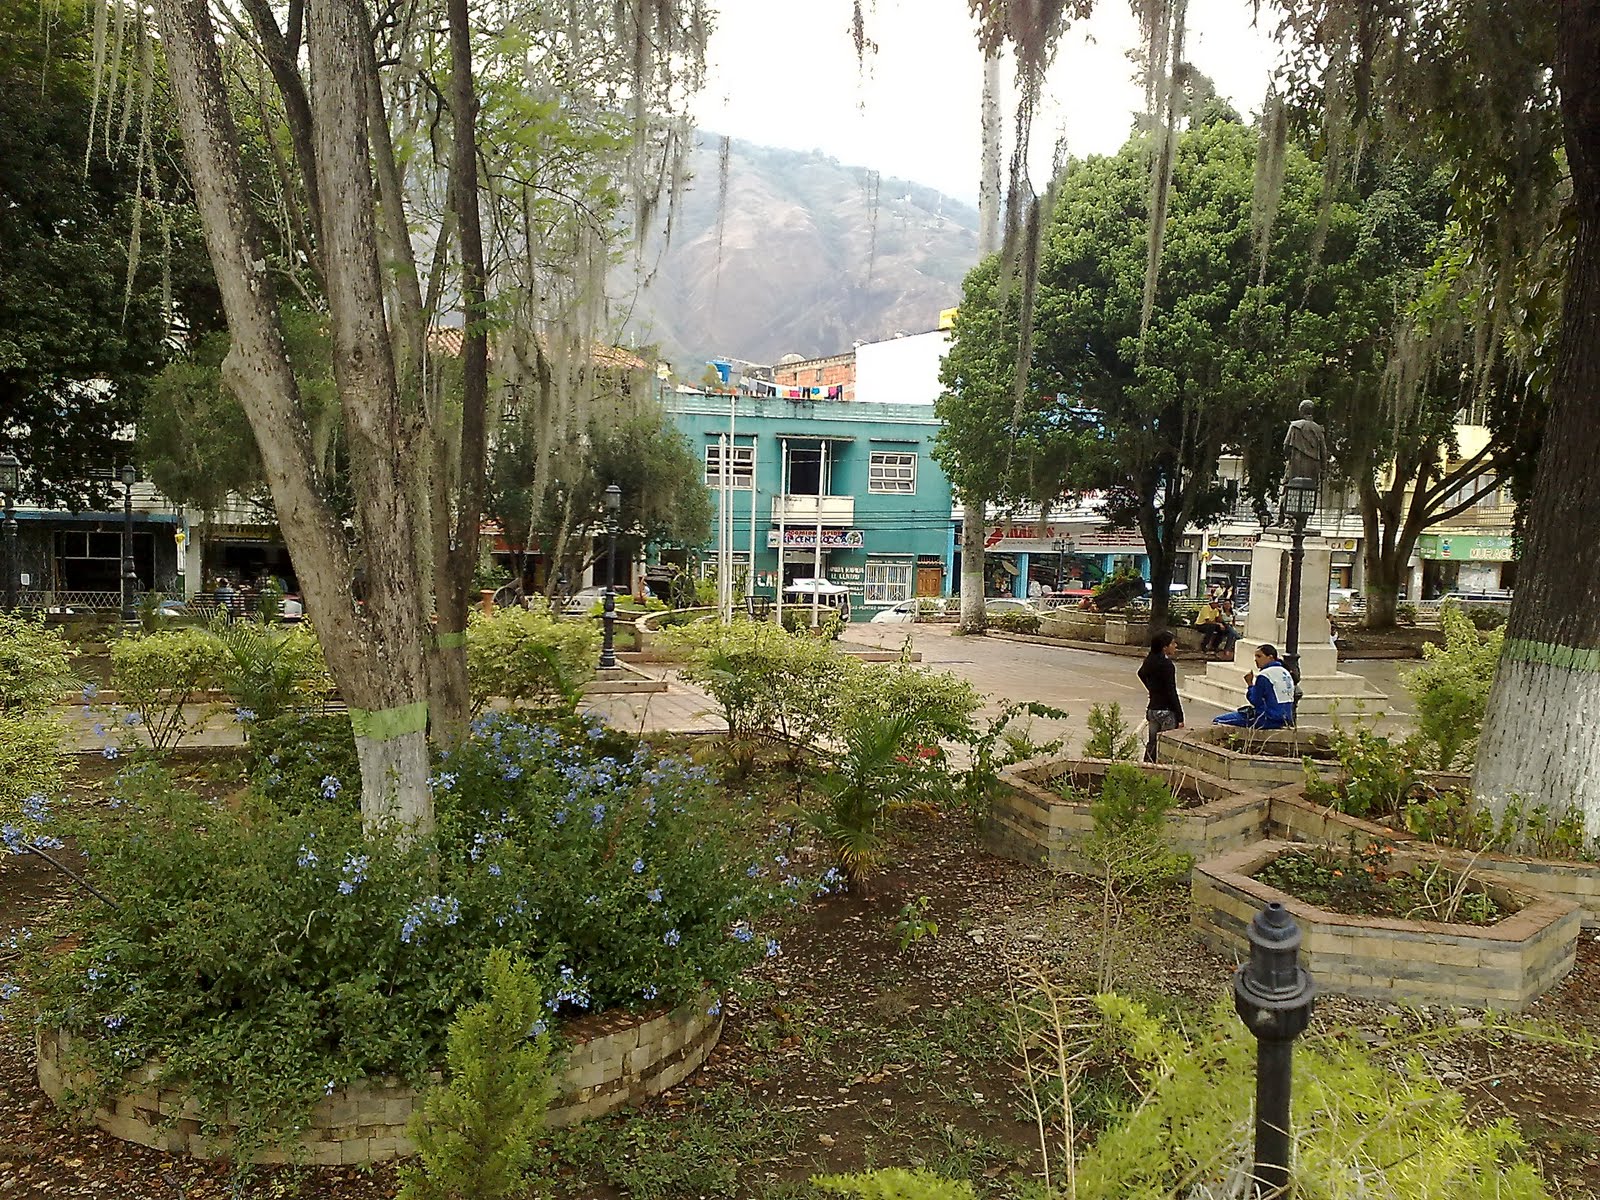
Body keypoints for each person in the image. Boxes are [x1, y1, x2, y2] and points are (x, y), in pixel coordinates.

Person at [1212, 644, 1296, 729]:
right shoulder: (1285, 672)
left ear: (1270, 657)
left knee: (1218, 720)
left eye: (1259, 656)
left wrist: (1250, 684)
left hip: (1267, 718)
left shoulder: (1265, 675)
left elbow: (1255, 700)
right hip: (1284, 718)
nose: (1255, 659)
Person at [1137, 630, 1184, 762]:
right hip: (1166, 711)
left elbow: (1141, 673)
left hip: (1153, 708)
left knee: (1152, 743)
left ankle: (1147, 767)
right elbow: (1171, 691)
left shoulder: (1150, 660)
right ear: (1165, 647)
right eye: (1172, 644)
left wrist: (1153, 690)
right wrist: (1180, 716)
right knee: (1165, 747)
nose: (1175, 646)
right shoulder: (1167, 665)